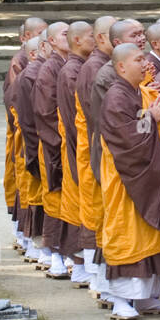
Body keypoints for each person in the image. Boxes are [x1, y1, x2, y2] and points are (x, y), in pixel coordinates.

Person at [99, 43, 160, 320]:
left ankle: (146, 297)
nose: (145, 64)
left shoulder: (140, 92)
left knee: (151, 237)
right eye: (138, 60)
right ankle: (122, 299)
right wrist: (151, 118)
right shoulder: (115, 97)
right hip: (127, 179)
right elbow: (125, 138)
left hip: (150, 177)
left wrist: (158, 114)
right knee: (129, 234)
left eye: (145, 58)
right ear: (121, 66)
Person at [74, 16, 116, 289]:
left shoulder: (103, 66)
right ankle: (95, 273)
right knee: (97, 210)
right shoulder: (94, 70)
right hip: (98, 148)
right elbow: (96, 118)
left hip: (103, 147)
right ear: (104, 39)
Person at [33, 22, 73, 279]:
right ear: (51, 42)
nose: (70, 38)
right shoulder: (49, 70)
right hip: (55, 144)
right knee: (56, 197)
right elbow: (45, 112)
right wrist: (61, 141)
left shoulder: (70, 65)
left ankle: (69, 253)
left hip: (70, 144)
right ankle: (55, 253)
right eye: (65, 34)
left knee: (70, 201)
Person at [57, 22, 95, 285]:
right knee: (83, 205)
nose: (94, 39)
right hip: (78, 144)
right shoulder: (72, 72)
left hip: (80, 144)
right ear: (78, 41)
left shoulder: (78, 67)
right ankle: (81, 263)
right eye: (91, 36)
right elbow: (75, 120)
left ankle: (82, 264)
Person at [5, 17, 46, 248]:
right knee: (26, 181)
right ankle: (27, 235)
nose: (43, 36)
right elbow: (15, 102)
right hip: (27, 132)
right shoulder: (21, 63)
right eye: (38, 32)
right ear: (25, 38)